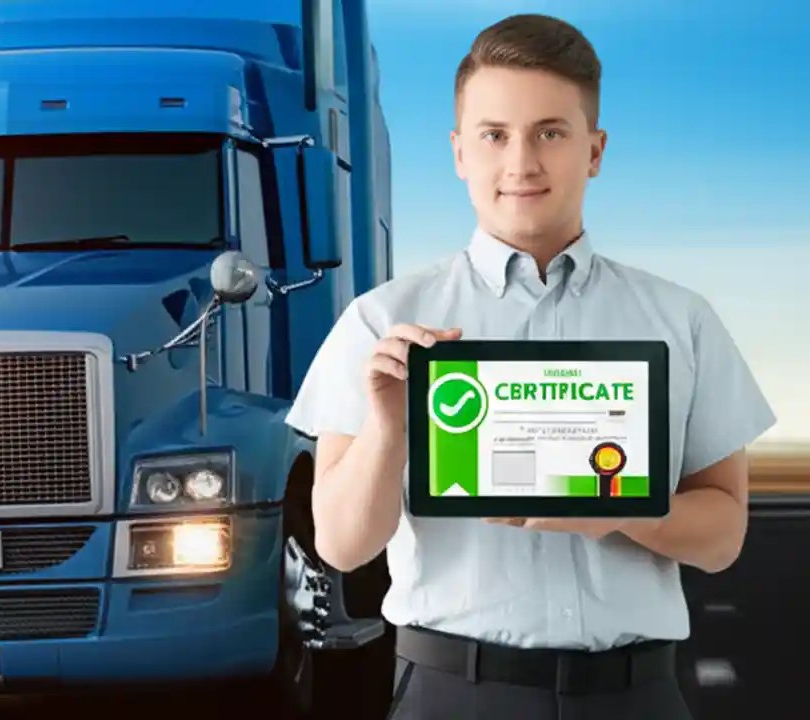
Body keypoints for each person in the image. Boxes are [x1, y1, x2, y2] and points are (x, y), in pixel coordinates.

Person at [283, 12, 776, 720]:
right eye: (494, 135)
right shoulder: (382, 321)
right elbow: (340, 544)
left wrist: (608, 511)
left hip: (637, 695)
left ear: (595, 150)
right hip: (452, 690)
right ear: (458, 151)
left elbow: (724, 536)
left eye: (551, 132)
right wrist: (391, 424)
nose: (521, 163)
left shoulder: (681, 321)